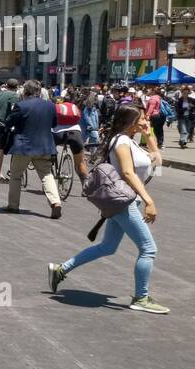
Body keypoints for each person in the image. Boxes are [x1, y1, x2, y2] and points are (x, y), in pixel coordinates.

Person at [48, 105, 166, 314]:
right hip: (124, 202)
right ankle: (141, 297)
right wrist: (149, 200)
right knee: (149, 249)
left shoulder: (131, 141)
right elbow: (128, 173)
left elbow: (157, 162)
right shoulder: (121, 141)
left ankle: (61, 269)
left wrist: (149, 136)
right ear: (131, 121)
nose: (146, 120)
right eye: (142, 118)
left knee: (107, 247)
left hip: (127, 201)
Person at [3, 80, 61, 218]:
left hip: (24, 147)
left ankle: (13, 205)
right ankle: (55, 202)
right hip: (45, 146)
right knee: (47, 175)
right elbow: (54, 123)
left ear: (25, 91)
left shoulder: (21, 106)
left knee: (16, 176)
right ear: (39, 91)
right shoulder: (50, 106)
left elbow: (9, 122)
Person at [0, 77, 20, 181]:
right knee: (1, 150)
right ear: (17, 87)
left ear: (6, 86)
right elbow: (14, 111)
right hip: (4, 125)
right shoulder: (14, 96)